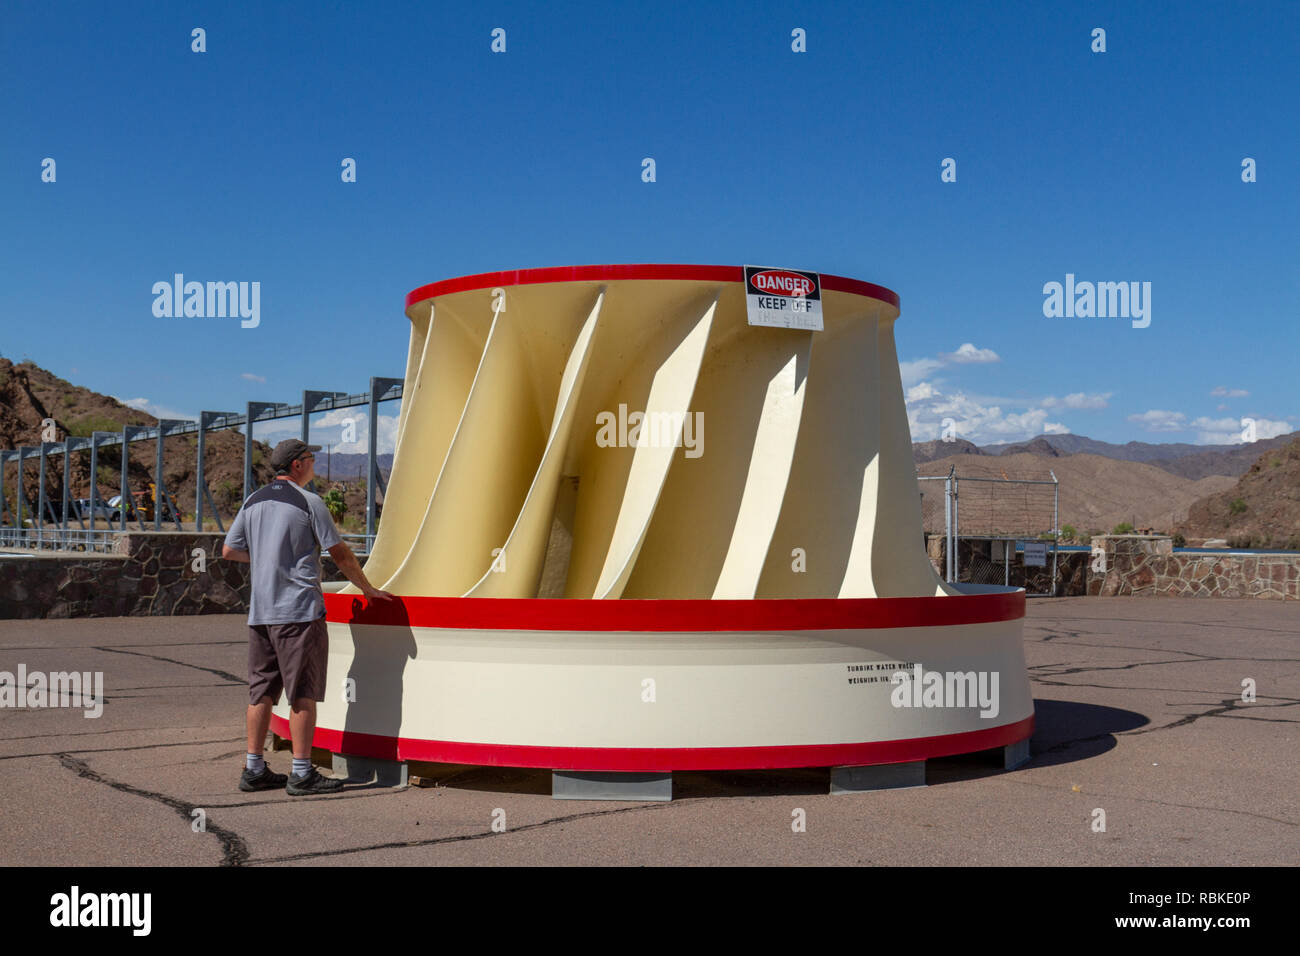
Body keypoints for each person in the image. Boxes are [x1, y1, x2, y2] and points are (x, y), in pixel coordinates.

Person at [221, 438, 394, 795]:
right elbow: (341, 553)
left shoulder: (253, 501)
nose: (314, 463)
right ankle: (301, 772)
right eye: (311, 458)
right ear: (298, 464)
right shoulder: (308, 501)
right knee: (302, 692)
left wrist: (269, 559)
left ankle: (253, 769)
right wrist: (367, 588)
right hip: (299, 612)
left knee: (260, 692)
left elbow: (229, 550)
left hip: (261, 614)